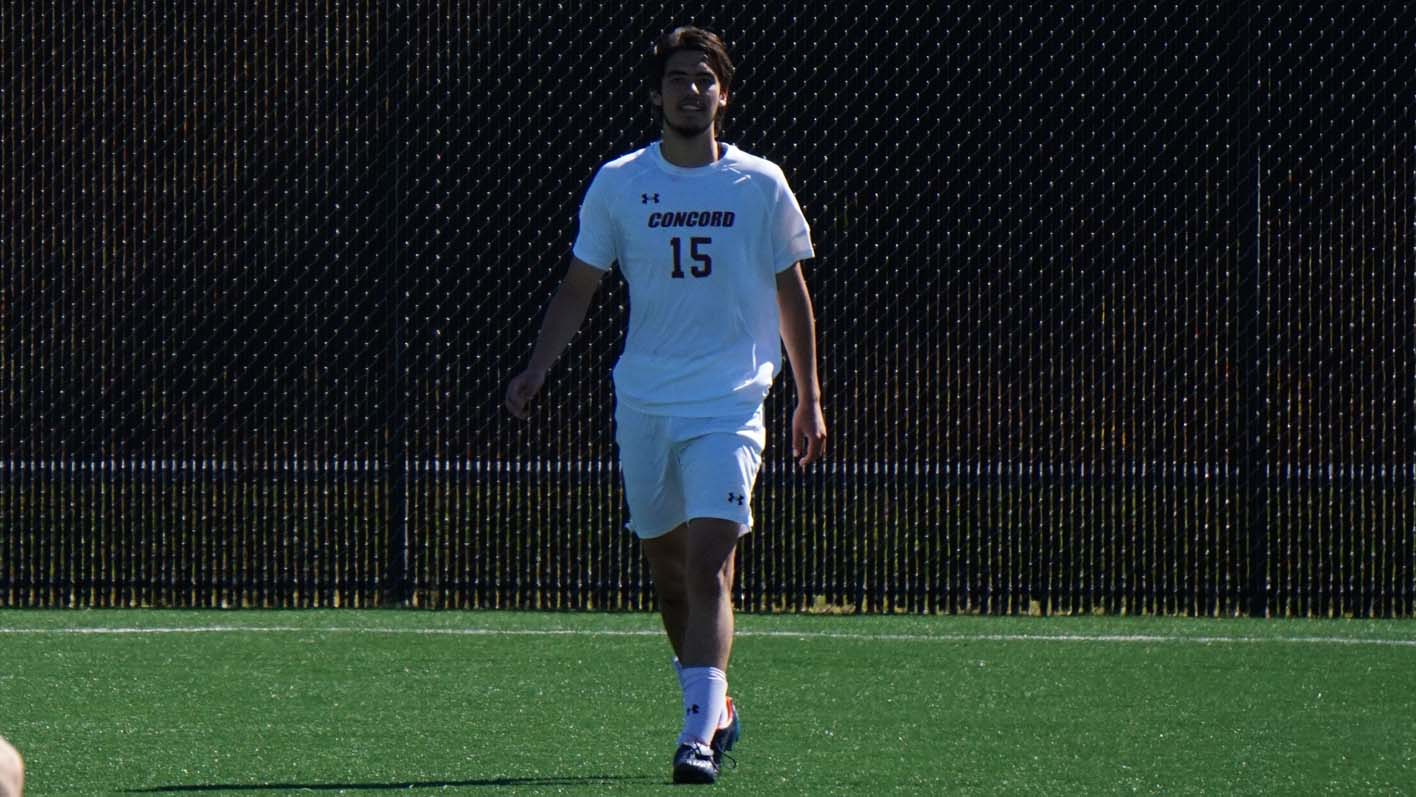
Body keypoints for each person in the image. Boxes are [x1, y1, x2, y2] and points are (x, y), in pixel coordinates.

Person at [504, 25, 826, 785]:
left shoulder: (760, 183)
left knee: (712, 562)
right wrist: (537, 368)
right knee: (670, 574)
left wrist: (809, 396)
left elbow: (792, 291)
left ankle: (695, 738)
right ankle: (717, 704)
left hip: (731, 403)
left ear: (725, 93)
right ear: (657, 94)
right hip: (646, 402)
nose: (691, 91)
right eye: (678, 79)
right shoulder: (619, 183)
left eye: (704, 80)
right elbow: (579, 287)